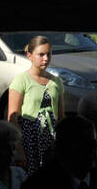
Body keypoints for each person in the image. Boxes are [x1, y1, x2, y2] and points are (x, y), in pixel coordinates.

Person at [7, 35, 65, 175]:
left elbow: (61, 115)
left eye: (48, 54)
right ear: (29, 55)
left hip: (50, 139)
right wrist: (19, 149)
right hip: (29, 139)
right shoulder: (21, 80)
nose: (45, 58)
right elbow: (12, 117)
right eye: (41, 54)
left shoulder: (56, 82)